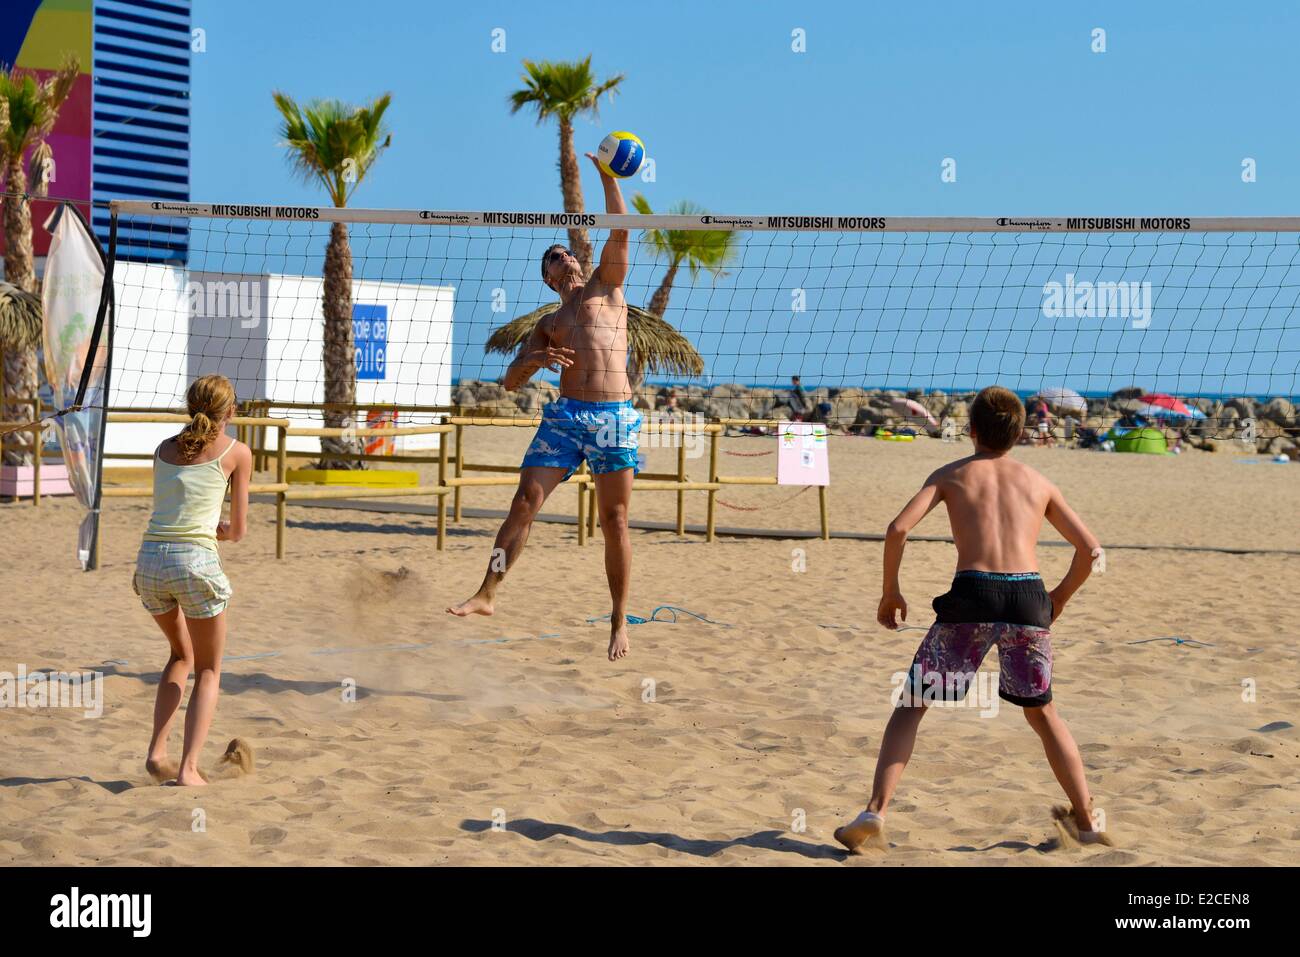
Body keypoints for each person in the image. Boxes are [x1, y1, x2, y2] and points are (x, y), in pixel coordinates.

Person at [834, 385, 1107, 852]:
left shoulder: (951, 474)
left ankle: (874, 811)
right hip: (1027, 597)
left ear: (972, 429)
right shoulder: (1038, 482)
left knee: (912, 705)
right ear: (1020, 433)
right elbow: (1090, 550)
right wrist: (1056, 598)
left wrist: (891, 591)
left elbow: (897, 529)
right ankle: (1086, 822)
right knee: (1044, 715)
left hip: (973, 593)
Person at [448, 152, 639, 661]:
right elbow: (510, 382)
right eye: (552, 257)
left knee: (615, 521)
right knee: (524, 502)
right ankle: (487, 593)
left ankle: (619, 620)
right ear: (549, 277)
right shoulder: (548, 323)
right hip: (566, 416)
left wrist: (608, 177)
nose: (562, 256)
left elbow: (620, 230)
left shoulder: (607, 288)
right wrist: (536, 356)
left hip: (613, 416)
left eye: (565, 252)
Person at [133, 373, 252, 786]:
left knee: (179, 656)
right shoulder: (237, 452)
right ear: (230, 411)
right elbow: (237, 532)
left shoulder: (163, 449)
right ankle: (187, 769)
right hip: (194, 564)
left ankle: (156, 753)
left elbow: (175, 507)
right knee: (209, 670)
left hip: (149, 561)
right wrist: (215, 530)